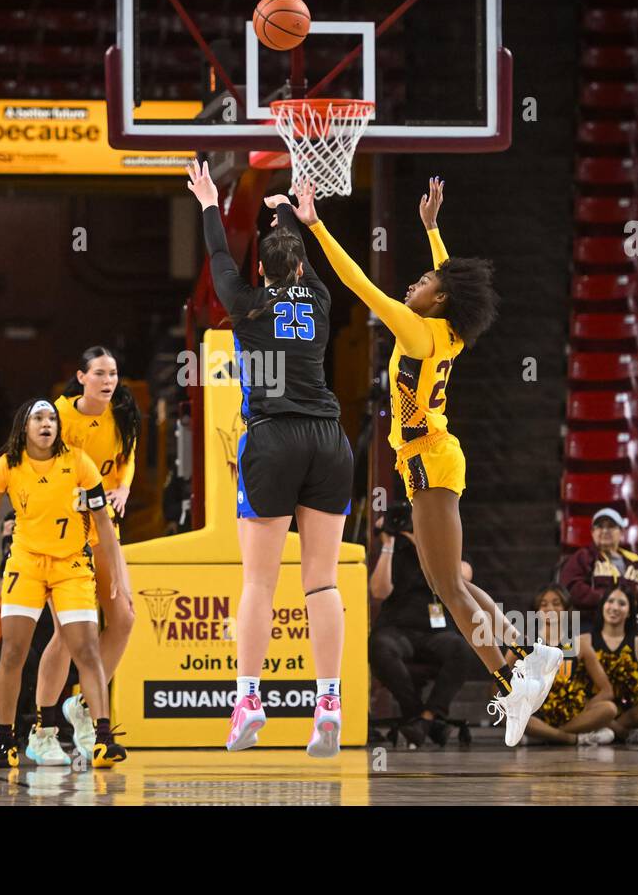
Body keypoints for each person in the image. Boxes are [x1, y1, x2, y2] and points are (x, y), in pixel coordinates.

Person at [288, 173, 560, 747]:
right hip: (432, 458)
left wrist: (315, 225)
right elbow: (452, 282)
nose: (417, 280)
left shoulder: (415, 331)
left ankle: (514, 679)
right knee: (449, 583)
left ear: (435, 300)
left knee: (450, 589)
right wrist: (433, 230)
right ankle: (529, 656)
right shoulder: (451, 330)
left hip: (430, 460)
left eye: (426, 279)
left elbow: (359, 284)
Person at [185, 161, 355, 758]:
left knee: (259, 581)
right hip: (329, 440)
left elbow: (219, 259)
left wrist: (210, 202)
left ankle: (249, 701)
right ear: (302, 265)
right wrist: (289, 213)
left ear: (261, 268)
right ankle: (327, 702)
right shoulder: (322, 297)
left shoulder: (244, 300)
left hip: (274, 438)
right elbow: (293, 260)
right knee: (322, 582)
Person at [0, 398, 128, 770]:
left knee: (86, 648)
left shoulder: (79, 463)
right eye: (38, 418)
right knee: (13, 653)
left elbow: (103, 521)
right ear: (24, 427)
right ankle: (6, 740)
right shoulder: (7, 466)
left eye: (52, 418)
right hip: (26, 566)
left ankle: (102, 738)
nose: (47, 424)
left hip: (71, 565)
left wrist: (117, 568)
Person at [32, 345, 139, 762]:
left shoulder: (123, 411)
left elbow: (126, 457)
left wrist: (125, 487)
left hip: (106, 532)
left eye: (112, 373)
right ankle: (42, 730)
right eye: (99, 373)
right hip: (65, 536)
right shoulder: (56, 416)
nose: (108, 380)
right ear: (81, 377)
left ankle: (81, 705)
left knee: (125, 618)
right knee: (68, 633)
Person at [368, 505, 483, 748]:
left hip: (436, 632)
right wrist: (388, 543)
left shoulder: (446, 543)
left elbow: (463, 577)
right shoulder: (394, 547)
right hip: (397, 629)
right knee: (379, 645)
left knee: (461, 648)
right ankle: (421, 719)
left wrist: (424, 543)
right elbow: (379, 591)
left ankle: (427, 718)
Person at [520, 584, 619, 746]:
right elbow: (498, 686)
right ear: (536, 611)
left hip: (569, 714)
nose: (550, 608)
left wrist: (584, 707)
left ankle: (544, 735)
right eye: (543, 604)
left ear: (566, 609)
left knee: (609, 708)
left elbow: (607, 691)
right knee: (510, 714)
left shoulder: (579, 644)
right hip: (536, 712)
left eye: (556, 603)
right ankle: (573, 738)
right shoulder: (524, 642)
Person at [583, 586, 638, 742]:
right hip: (597, 705)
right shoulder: (585, 640)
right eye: (610, 601)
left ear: (630, 612)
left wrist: (637, 686)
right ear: (603, 606)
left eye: (622, 604)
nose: (615, 608)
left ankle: (609, 730)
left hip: (628, 709)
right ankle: (626, 735)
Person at [560, 507, 638, 631]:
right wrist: (608, 600)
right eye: (600, 527)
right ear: (592, 532)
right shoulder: (583, 557)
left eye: (611, 526)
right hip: (592, 621)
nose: (605, 531)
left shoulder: (636, 562)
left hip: (629, 622)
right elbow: (571, 588)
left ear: (621, 532)